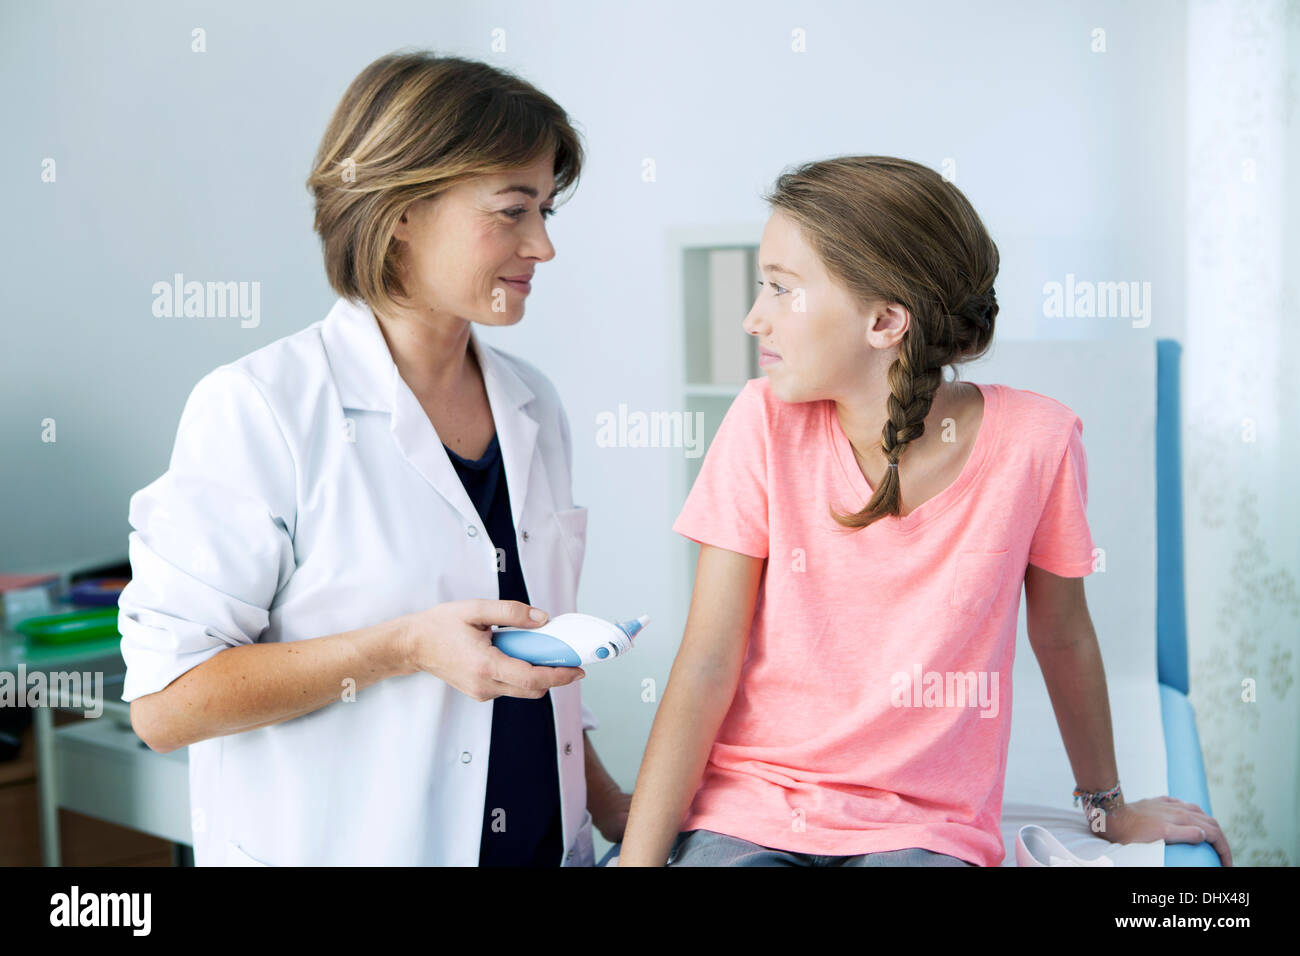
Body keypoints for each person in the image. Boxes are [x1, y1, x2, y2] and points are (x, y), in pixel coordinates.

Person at [614, 156, 1232, 867]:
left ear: (883, 321)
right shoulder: (761, 422)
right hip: (752, 813)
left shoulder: (1039, 441)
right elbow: (705, 665)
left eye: (782, 290)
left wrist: (1108, 811)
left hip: (924, 832)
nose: (757, 318)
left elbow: (1063, 637)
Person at [117, 51, 630, 866]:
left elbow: (528, 669)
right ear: (400, 210)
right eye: (512, 209)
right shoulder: (261, 409)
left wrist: (620, 815)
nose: (542, 245)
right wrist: (398, 649)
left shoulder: (533, 404)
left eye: (547, 211)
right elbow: (167, 706)